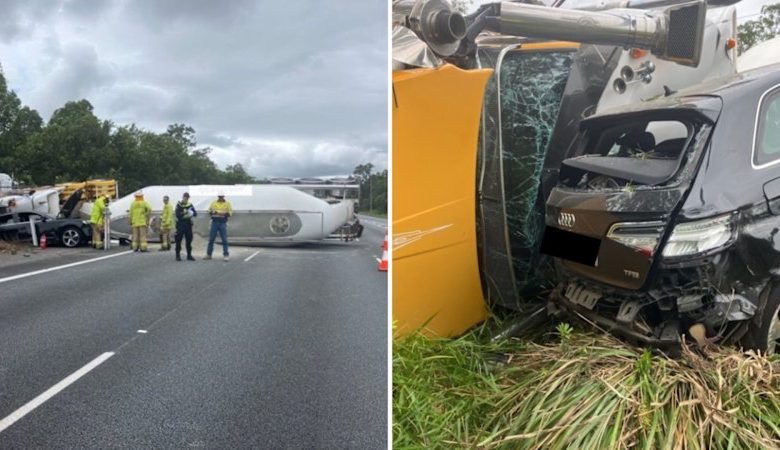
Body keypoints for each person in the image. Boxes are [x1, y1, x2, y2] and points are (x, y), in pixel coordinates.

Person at [204, 191, 232, 261]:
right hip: (215, 222)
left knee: (224, 240)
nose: (220, 198)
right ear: (218, 196)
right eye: (219, 197)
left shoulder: (227, 203)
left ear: (223, 197)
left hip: (222, 223)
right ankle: (209, 255)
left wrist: (223, 214)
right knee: (211, 239)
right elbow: (209, 210)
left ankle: (226, 255)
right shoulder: (214, 203)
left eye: (221, 197)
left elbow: (230, 212)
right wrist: (212, 212)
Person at [175, 192, 197, 261]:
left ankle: (189, 255)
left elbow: (195, 213)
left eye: (187, 198)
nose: (186, 199)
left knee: (189, 240)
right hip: (180, 224)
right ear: (183, 197)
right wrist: (185, 212)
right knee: (178, 240)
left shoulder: (190, 204)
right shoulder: (179, 204)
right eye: (185, 197)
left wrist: (191, 213)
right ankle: (177, 255)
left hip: (188, 224)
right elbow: (178, 214)